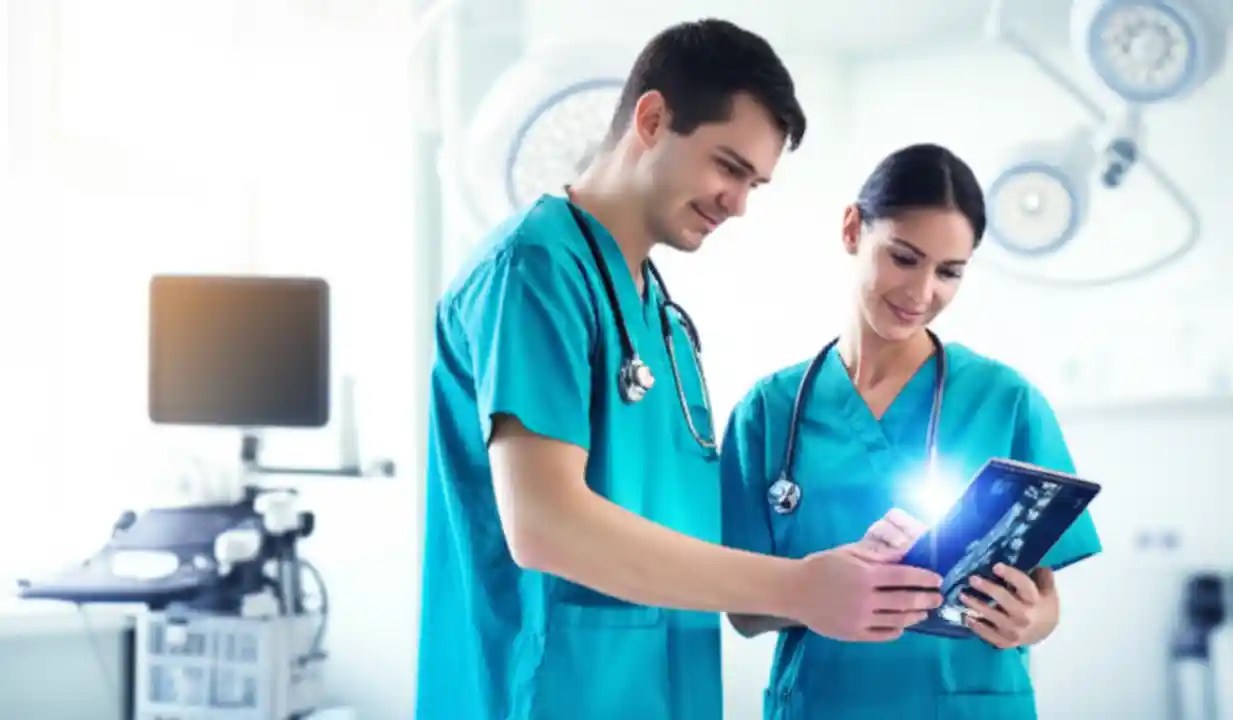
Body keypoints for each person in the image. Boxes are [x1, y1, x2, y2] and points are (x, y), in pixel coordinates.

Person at [415, 19, 946, 720]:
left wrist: (848, 567)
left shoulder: (664, 322)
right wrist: (799, 588)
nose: (739, 203)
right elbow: (543, 523)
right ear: (653, 117)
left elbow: (682, 536)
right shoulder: (535, 270)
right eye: (728, 167)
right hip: (547, 695)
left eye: (754, 182)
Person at [720, 143, 1103, 719]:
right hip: (824, 703)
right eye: (903, 258)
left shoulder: (1007, 401)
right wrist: (825, 587)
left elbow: (1044, 600)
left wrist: (1031, 620)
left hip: (968, 703)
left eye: (950, 272)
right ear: (852, 230)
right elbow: (744, 612)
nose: (923, 293)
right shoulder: (768, 412)